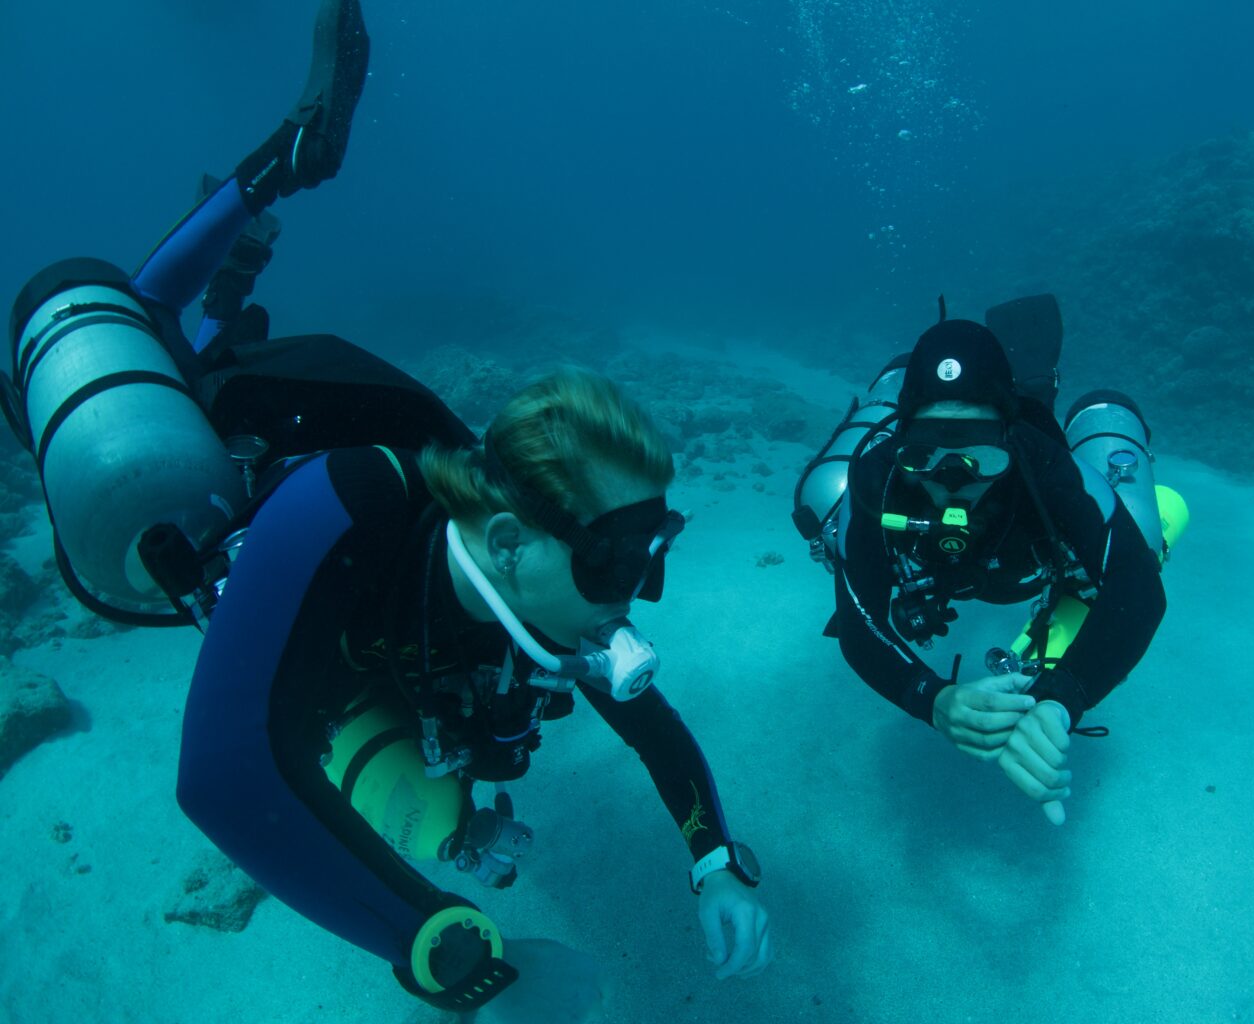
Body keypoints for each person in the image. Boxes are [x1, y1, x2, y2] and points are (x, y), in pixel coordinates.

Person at [4, 1, 771, 1015]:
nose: (640, 595)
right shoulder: (336, 513)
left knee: (185, 333)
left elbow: (653, 728)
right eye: (618, 560)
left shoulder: (544, 580)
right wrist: (443, 949)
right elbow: (222, 774)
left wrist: (716, 861)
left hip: (412, 587)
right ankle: (270, 181)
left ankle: (234, 277)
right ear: (507, 538)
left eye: (652, 549)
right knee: (164, 343)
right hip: (232, 470)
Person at [794, 307, 1174, 825]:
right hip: (944, 562)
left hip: (1030, 559)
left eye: (980, 454)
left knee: (1140, 538)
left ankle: (1039, 384)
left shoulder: (1045, 465)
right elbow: (859, 621)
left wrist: (1062, 697)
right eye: (923, 453)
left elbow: (1138, 586)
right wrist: (932, 699)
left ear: (1009, 441)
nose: (953, 478)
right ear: (901, 439)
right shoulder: (876, 476)